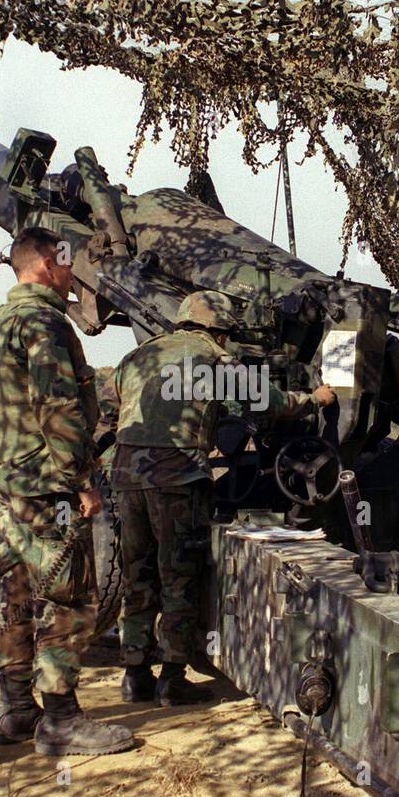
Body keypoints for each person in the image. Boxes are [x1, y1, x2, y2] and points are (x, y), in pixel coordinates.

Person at [111, 290, 336, 704]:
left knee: (137, 576)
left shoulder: (138, 355)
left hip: (126, 478)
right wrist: (314, 399)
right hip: (175, 477)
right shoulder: (214, 360)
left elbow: (115, 400)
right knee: (178, 575)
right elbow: (270, 404)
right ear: (220, 328)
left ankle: (135, 674)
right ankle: (173, 679)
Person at [0, 226, 132, 755]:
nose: (74, 274)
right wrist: (83, 481)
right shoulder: (45, 323)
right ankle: (61, 720)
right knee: (69, 601)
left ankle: (17, 710)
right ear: (47, 263)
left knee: (15, 600)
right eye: (67, 263)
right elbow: (58, 409)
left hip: (9, 488)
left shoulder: (1, 321)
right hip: (48, 491)